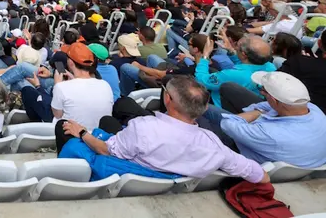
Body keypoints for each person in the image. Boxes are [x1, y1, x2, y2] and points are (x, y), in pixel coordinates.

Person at [57, 75, 270, 183]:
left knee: (67, 132)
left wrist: (82, 132)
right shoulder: (214, 144)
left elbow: (105, 150)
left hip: (125, 174)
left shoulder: (143, 128)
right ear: (205, 109)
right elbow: (261, 176)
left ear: (167, 99)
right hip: (160, 183)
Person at [208, 71, 326, 168]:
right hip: (288, 154)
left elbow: (227, 123)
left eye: (263, 91)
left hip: (245, 154)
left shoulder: (269, 133)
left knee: (204, 110)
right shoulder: (313, 109)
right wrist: (256, 112)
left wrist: (256, 113)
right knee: (230, 88)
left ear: (274, 100)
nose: (261, 92)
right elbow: (263, 105)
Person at [194, 35, 277, 108]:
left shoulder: (233, 74)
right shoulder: (271, 67)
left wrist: (205, 56)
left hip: (219, 105)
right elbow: (247, 63)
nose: (235, 48)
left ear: (244, 54)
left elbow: (201, 81)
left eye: (237, 45)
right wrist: (230, 50)